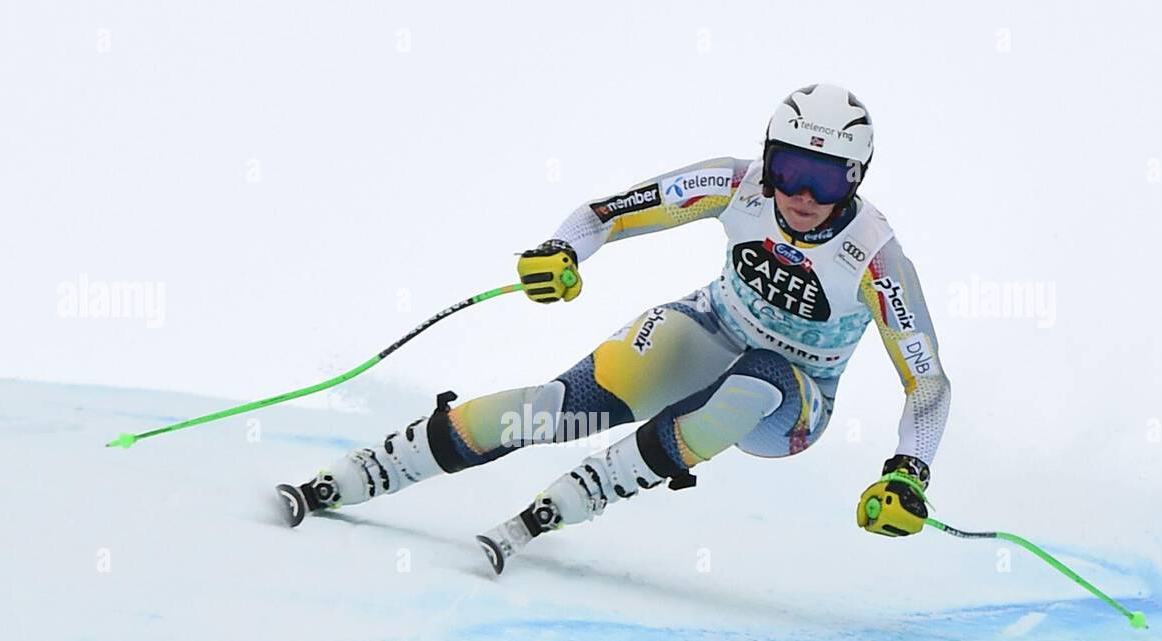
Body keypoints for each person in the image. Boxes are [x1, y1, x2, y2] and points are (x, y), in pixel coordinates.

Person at [276, 83, 951, 574]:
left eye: (825, 179)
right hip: (712, 328)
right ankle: (361, 472)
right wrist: (562, 250)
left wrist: (908, 472)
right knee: (554, 410)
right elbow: (606, 212)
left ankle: (598, 485)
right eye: (789, 170)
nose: (801, 196)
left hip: (794, 400)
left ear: (856, 179)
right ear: (767, 160)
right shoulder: (736, 183)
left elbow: (927, 383)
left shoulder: (876, 259)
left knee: (757, 381)